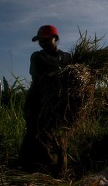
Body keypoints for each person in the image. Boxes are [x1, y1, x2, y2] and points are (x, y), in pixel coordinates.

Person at [19, 25, 72, 177]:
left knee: (54, 135)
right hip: (37, 101)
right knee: (35, 133)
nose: (42, 43)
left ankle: (55, 169)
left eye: (46, 39)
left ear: (56, 38)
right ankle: (33, 168)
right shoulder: (37, 56)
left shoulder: (67, 57)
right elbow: (40, 76)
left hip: (58, 104)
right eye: (40, 40)